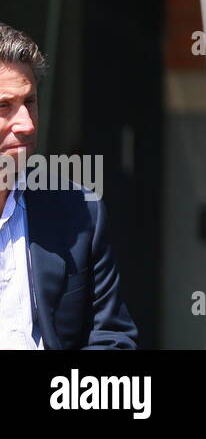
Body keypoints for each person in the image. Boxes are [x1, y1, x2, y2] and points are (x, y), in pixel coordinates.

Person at [0, 22, 137, 348]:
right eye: (4, 106)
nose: (27, 124)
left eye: (30, 102)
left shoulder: (79, 212)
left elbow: (111, 338)